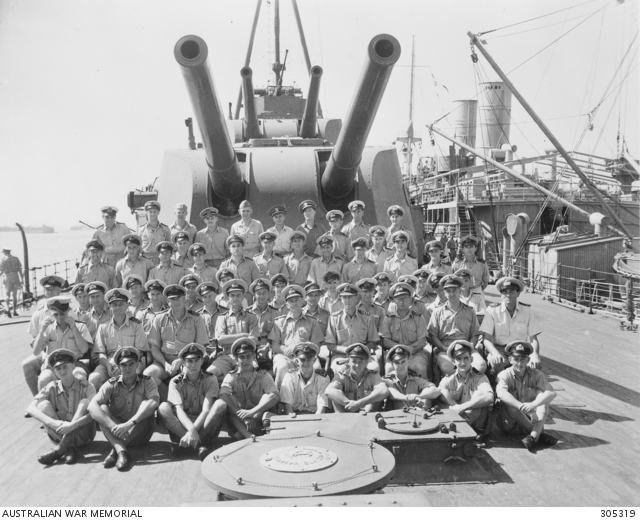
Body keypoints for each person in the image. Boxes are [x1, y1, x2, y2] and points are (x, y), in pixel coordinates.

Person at [89, 347, 159, 471]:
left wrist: (129, 424)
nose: (127, 368)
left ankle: (115, 450)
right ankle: (121, 451)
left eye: (131, 364)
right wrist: (113, 426)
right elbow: (92, 406)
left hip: (140, 433)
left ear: (137, 364)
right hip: (117, 431)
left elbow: (154, 401)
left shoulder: (147, 381)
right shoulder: (111, 383)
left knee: (146, 405)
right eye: (123, 365)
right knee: (102, 408)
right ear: (119, 367)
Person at [26, 349, 97, 465]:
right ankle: (69, 448)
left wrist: (73, 425)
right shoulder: (51, 387)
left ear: (73, 366)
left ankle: (60, 450)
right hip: (58, 434)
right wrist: (52, 423)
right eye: (58, 368)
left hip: (83, 436)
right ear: (54, 371)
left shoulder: (87, 386)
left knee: (85, 402)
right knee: (42, 405)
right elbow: (30, 408)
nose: (62, 371)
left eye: (65, 367)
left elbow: (95, 413)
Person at [158, 343, 227, 460]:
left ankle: (187, 445)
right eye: (189, 361)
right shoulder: (175, 382)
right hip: (182, 426)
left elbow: (206, 410)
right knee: (163, 407)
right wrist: (190, 431)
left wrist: (192, 431)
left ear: (202, 361)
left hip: (204, 425)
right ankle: (199, 445)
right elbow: (178, 410)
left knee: (220, 405)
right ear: (183, 363)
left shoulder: (210, 379)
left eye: (197, 360)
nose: (193, 365)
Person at [145, 284, 209, 399]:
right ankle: (169, 401)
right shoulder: (160, 318)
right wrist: (165, 364)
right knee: (148, 374)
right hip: (164, 360)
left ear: (184, 299)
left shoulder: (196, 318)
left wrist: (181, 360)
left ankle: (186, 404)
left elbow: (201, 347)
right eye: (172, 299)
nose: (176, 301)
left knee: (189, 373)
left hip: (188, 359)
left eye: (179, 298)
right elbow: (154, 347)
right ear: (168, 301)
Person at [496, 341, 558, 452]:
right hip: (510, 425)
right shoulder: (504, 375)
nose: (519, 364)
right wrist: (523, 408)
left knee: (542, 396)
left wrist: (534, 404)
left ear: (528, 360)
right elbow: (501, 393)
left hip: (531, 420)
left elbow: (551, 392)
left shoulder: (536, 374)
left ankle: (533, 437)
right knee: (510, 402)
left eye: (523, 359)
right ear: (510, 360)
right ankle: (539, 434)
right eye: (516, 359)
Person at [480, 276, 543, 377]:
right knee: (496, 361)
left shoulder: (527, 311)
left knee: (535, 363)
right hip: (501, 351)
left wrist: (534, 354)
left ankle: (527, 388)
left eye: (512, 291)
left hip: (520, 351)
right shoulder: (492, 310)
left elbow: (533, 339)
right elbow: (486, 339)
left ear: (518, 293)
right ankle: (500, 386)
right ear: (501, 295)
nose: (508, 295)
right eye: (505, 292)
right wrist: (495, 353)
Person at [220, 338, 279, 439]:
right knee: (231, 399)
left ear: (254, 356)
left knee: (267, 396)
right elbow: (223, 395)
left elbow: (275, 395)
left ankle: (250, 435)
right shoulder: (231, 377)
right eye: (242, 357)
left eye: (248, 356)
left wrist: (252, 412)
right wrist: (243, 417)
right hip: (240, 419)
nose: (245, 360)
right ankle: (249, 436)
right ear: (235, 358)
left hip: (258, 416)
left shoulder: (263, 375)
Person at [428, 275, 485, 377]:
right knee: (448, 367)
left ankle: (471, 389)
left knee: (480, 365)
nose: (451, 294)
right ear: (444, 293)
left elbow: (475, 334)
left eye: (454, 290)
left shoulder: (470, 311)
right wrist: (444, 348)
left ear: (460, 291)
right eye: (448, 291)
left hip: (466, 347)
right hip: (445, 348)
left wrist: (470, 348)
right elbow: (433, 336)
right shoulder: (437, 312)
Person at [269, 285, 325, 388]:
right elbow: (275, 345)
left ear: (302, 302)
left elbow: (316, 344)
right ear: (286, 304)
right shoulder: (279, 322)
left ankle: (314, 400)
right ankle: (279, 399)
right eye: (291, 301)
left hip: (307, 355)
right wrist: (286, 350)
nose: (294, 303)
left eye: (296, 300)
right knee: (282, 367)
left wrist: (301, 351)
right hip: (285, 356)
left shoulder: (312, 321)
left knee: (317, 368)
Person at [91, 288, 149, 390]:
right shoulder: (103, 326)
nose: (118, 307)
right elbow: (100, 352)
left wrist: (123, 365)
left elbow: (140, 351)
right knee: (94, 378)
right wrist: (108, 365)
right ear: (109, 306)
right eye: (114, 304)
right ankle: (99, 403)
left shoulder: (136, 325)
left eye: (121, 304)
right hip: (109, 364)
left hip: (132, 362)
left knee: (131, 376)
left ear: (127, 305)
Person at [32, 296, 92, 390]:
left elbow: (84, 349)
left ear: (68, 310)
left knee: (79, 377)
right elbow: (36, 352)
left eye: (62, 314)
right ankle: (43, 403)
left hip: (74, 364)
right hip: (53, 366)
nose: (59, 317)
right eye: (56, 314)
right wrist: (41, 331)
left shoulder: (80, 326)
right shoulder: (48, 328)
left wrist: (74, 329)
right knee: (43, 380)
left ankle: (79, 403)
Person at [438, 340, 494, 439]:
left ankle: (460, 431)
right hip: (455, 420)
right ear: (453, 361)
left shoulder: (480, 377)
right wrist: (455, 407)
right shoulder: (448, 379)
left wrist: (462, 407)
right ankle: (461, 431)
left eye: (466, 358)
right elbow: (440, 395)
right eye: (459, 359)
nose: (463, 363)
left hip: (477, 425)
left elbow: (490, 397)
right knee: (442, 392)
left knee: (479, 394)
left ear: (471, 359)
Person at [23, 275, 67, 396]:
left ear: (60, 290)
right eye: (47, 289)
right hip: (44, 352)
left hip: (65, 350)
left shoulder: (68, 311)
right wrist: (44, 355)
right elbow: (34, 341)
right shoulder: (38, 314)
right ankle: (38, 399)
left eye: (52, 289)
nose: (49, 292)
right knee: (26, 364)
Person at [210, 279, 260, 383]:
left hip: (246, 355)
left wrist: (231, 339)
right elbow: (221, 340)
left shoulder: (252, 317)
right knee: (210, 373)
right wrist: (245, 336)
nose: (235, 298)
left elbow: (254, 340)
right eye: (232, 295)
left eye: (238, 295)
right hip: (227, 356)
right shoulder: (222, 318)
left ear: (243, 297)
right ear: (228, 297)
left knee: (254, 373)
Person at [379, 282, 430, 379]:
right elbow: (385, 341)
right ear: (394, 301)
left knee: (420, 367)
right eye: (399, 298)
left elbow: (422, 341)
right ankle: (391, 392)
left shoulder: (419, 318)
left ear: (411, 300)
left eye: (405, 298)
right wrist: (401, 348)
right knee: (389, 368)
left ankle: (424, 391)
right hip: (395, 354)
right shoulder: (388, 318)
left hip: (415, 354)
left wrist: (410, 349)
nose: (402, 301)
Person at [325, 283, 380, 372]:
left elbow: (373, 341)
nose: (347, 300)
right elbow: (330, 345)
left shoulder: (366, 318)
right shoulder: (334, 318)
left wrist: (362, 349)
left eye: (350, 297)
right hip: (342, 356)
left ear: (356, 299)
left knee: (373, 368)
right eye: (344, 297)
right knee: (341, 369)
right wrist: (346, 350)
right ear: (341, 299)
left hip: (362, 355)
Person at [325, 343, 388, 413]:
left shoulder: (373, 375)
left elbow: (384, 391)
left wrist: (359, 404)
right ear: (348, 361)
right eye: (354, 361)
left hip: (369, 416)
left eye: (360, 362)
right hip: (346, 416)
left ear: (366, 362)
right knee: (336, 395)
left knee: (376, 394)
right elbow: (329, 391)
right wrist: (350, 404)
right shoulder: (342, 376)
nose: (357, 365)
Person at [383, 345, 440, 410]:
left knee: (427, 395)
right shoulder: (388, 380)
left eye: (403, 361)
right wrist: (407, 397)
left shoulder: (415, 378)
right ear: (392, 364)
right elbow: (390, 392)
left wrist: (419, 396)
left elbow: (436, 390)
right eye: (397, 363)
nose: (400, 365)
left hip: (415, 415)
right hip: (394, 417)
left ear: (408, 361)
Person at [279, 342, 331, 414]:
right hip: (295, 417)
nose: (306, 364)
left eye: (309, 360)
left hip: (316, 417)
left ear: (314, 360)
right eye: (302, 360)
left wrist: (315, 423)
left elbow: (322, 409)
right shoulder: (290, 377)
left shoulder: (323, 378)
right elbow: (288, 409)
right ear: (297, 361)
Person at [451, 235, 490, 309]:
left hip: (477, 291)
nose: (469, 249)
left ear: (475, 248)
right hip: (461, 293)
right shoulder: (457, 263)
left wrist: (477, 290)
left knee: (481, 315)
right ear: (463, 249)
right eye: (466, 246)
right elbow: (452, 280)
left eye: (472, 246)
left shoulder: (482, 264)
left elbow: (485, 281)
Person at [247, 278, 278, 350]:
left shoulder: (275, 313)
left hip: (270, 347)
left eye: (264, 293)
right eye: (259, 293)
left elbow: (276, 335)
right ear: (254, 295)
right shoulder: (247, 312)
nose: (262, 296)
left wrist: (267, 347)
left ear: (269, 294)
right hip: (250, 347)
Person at [139, 201, 172, 265]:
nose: (152, 214)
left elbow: (169, 247)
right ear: (146, 213)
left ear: (158, 212)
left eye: (154, 212)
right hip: (145, 259)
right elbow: (139, 247)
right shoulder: (141, 230)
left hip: (160, 260)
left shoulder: (165, 229)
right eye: (150, 212)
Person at [0, 247, 23, 317]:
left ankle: (8, 309)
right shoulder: (16, 258)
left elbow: (1, 270)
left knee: (7, 294)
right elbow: (20, 270)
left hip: (7, 277)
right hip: (15, 276)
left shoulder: (3, 260)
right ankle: (14, 311)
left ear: (5, 252)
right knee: (14, 294)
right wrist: (22, 279)